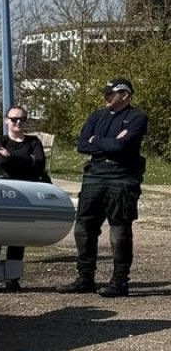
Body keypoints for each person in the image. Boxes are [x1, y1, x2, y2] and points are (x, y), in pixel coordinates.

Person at [58, 77, 148, 298]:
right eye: (106, 93)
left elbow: (121, 146)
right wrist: (107, 142)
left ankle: (119, 281)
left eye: (111, 93)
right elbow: (82, 144)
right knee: (83, 227)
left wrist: (96, 140)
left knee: (119, 230)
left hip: (122, 178)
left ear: (125, 95)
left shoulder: (137, 117)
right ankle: (85, 277)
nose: (106, 97)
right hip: (95, 176)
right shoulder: (96, 116)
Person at [0, 105, 48, 291]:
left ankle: (12, 278)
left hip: (25, 194)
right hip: (2, 194)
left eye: (22, 119)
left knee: (18, 238)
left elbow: (39, 165)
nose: (18, 122)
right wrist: (27, 161)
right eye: (14, 119)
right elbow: (0, 161)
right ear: (6, 120)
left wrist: (12, 158)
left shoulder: (33, 142)